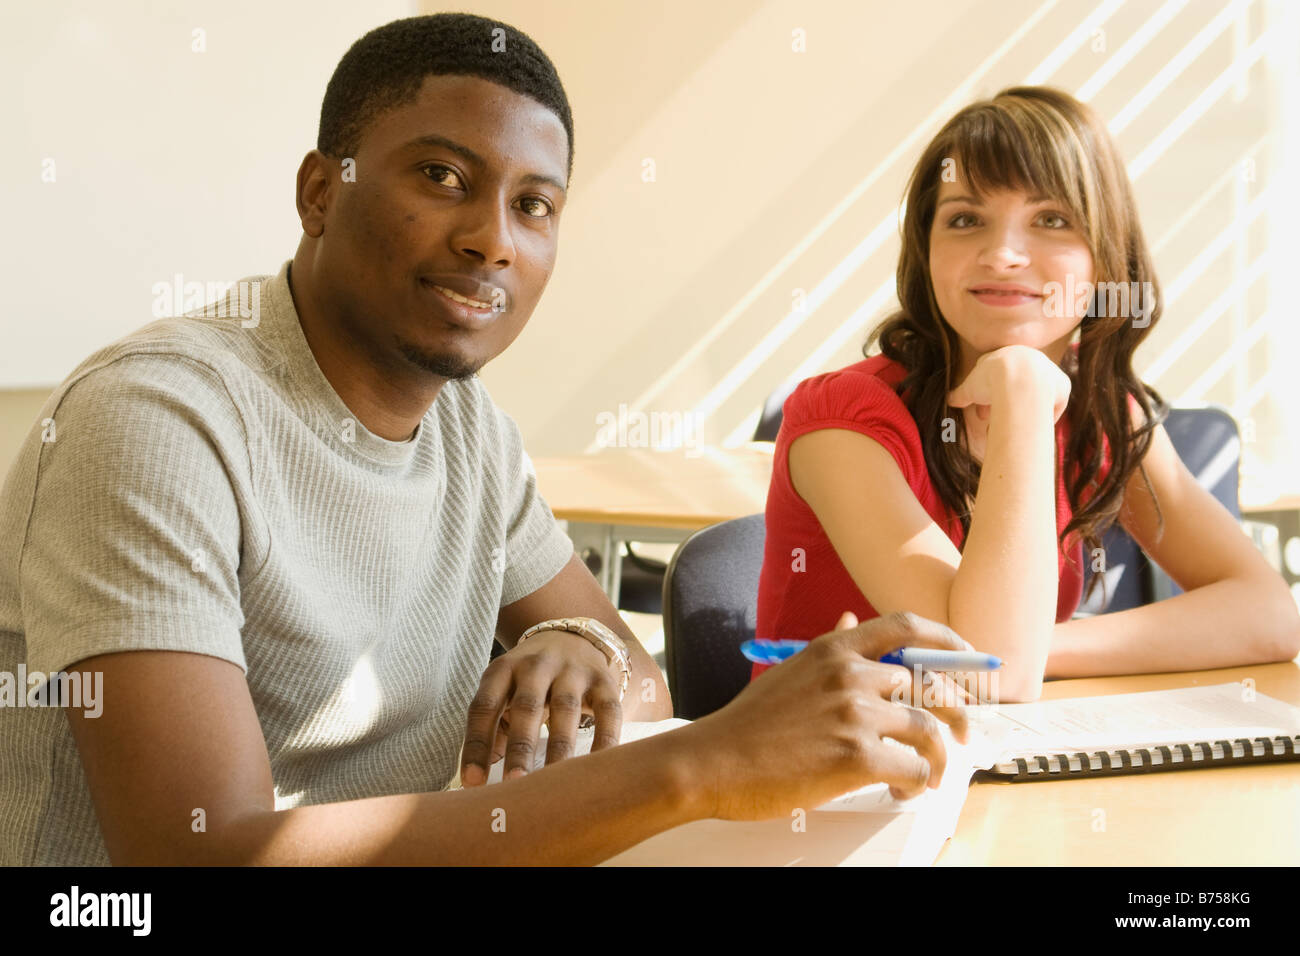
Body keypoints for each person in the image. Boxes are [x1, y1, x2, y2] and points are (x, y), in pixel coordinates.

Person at [0, 13, 970, 866]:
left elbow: (636, 679)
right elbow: (192, 852)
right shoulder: (155, 422)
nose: (491, 239)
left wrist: (570, 638)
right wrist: (705, 763)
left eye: (532, 205)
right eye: (441, 176)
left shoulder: (466, 426)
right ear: (319, 193)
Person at [753, 86, 1300, 702]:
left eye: (1051, 220)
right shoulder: (842, 423)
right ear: (925, 251)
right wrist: (1021, 393)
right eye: (965, 219)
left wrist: (1038, 647)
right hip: (838, 786)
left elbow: (1271, 615)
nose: (1003, 254)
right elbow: (987, 673)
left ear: (1105, 257)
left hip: (1001, 768)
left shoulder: (1105, 416)